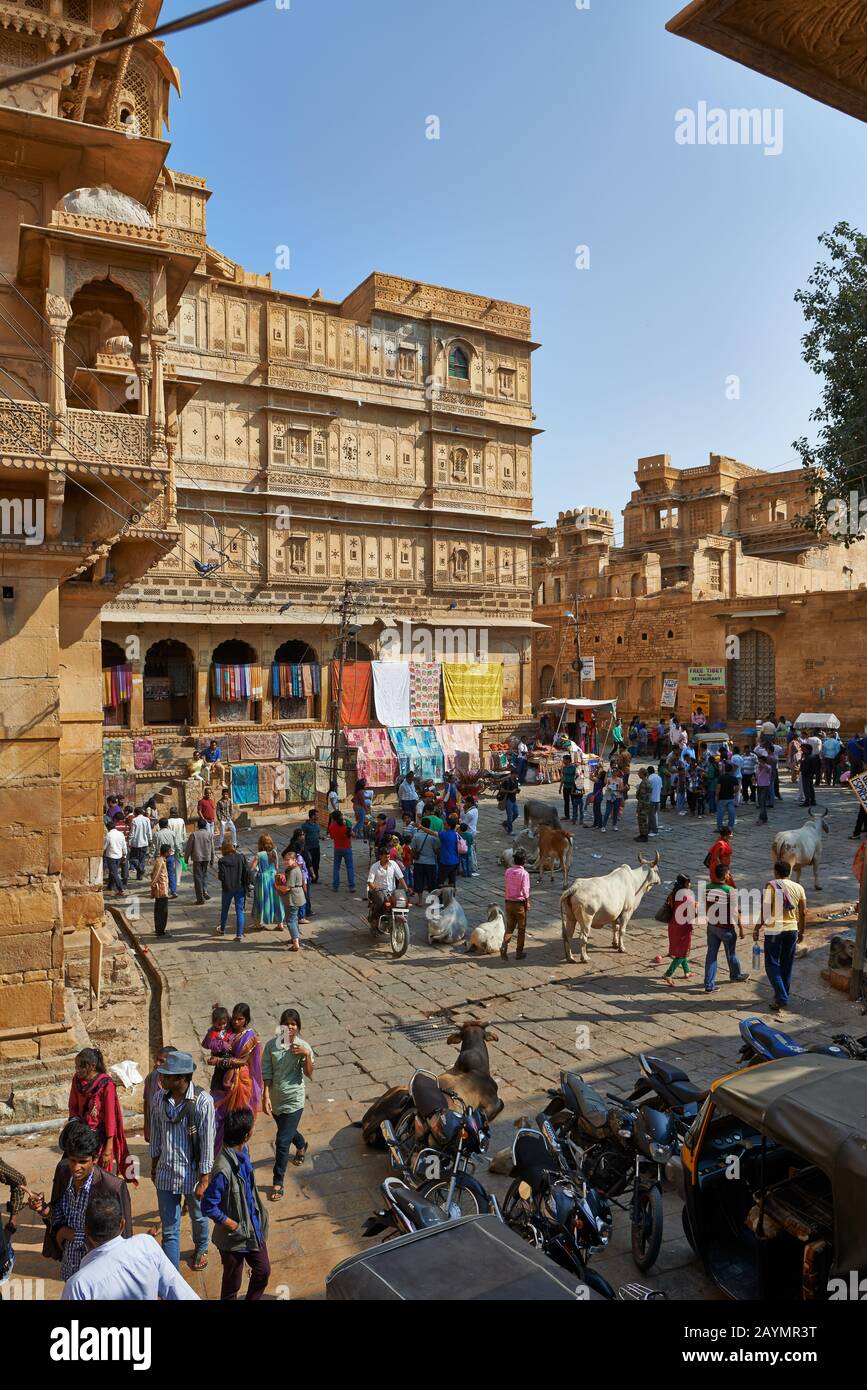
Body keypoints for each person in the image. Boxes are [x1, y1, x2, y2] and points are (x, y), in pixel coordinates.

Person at [40, 1121, 133, 1282]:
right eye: (72, 1160)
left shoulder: (113, 1187)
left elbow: (121, 1237)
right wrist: (44, 1210)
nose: (76, 1168)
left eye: (82, 1161)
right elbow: (59, 1211)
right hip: (70, 1264)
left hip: (100, 1269)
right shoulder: (63, 1171)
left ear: (95, 1158)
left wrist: (72, 1235)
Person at [62, 1192, 199, 1300]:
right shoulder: (146, 1245)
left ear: (86, 1230)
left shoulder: (78, 1285)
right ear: (122, 1224)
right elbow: (176, 1289)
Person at [149, 1050, 215, 1272]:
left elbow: (207, 1143)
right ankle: (172, 1279)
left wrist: (205, 1180)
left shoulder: (203, 1102)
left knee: (198, 1216)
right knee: (170, 1231)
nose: (162, 1079)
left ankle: (202, 1247)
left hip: (193, 1174)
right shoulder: (159, 1098)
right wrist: (153, 1165)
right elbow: (157, 1133)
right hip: (166, 1172)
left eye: (167, 1076)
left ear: (182, 1078)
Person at [200, 1106, 271, 1300]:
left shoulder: (244, 1152)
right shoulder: (222, 1170)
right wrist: (231, 1224)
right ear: (247, 1134)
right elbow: (208, 1205)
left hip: (253, 1227)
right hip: (233, 1237)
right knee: (232, 1285)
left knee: (263, 1271)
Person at [263, 1009, 313, 1201]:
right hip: (276, 1099)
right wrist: (265, 1096)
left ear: (298, 1026)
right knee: (287, 1131)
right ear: (281, 1026)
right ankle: (301, 1145)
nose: (290, 1027)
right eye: (287, 1023)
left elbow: (309, 1073)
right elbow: (267, 1072)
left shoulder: (303, 1046)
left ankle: (278, 1181)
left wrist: (306, 1055)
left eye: (293, 1024)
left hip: (294, 1099)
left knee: (282, 1141)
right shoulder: (271, 1046)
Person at [68, 1047, 133, 1180]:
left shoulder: (106, 1084)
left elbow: (110, 1116)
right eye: (76, 1067)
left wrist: (108, 1148)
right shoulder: (77, 1080)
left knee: (100, 1176)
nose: (78, 1070)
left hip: (101, 1137)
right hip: (82, 1133)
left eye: (81, 1067)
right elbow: (73, 1106)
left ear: (92, 1066)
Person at [211, 1004, 263, 1154]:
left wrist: (221, 1061)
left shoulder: (250, 1037)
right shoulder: (228, 1031)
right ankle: (217, 1148)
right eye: (234, 1018)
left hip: (240, 1079)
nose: (236, 1022)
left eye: (239, 1019)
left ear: (246, 1020)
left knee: (235, 1117)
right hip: (223, 1077)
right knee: (218, 1114)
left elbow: (244, 1061)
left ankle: (236, 1148)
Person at [755, 860, 806, 1013]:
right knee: (786, 964)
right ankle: (780, 996)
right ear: (789, 872)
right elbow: (803, 912)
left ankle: (782, 996)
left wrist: (757, 928)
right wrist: (802, 931)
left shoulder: (771, 886)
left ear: (775, 872)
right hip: (792, 930)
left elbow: (765, 911)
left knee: (771, 964)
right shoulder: (799, 887)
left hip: (774, 930)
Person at [703, 863, 750, 993]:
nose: (730, 875)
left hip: (712, 926)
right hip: (726, 928)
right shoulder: (730, 891)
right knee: (731, 953)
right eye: (728, 873)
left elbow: (706, 907)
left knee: (711, 955)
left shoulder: (706, 888)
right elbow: (735, 912)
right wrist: (740, 928)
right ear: (725, 875)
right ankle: (735, 975)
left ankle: (709, 984)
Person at [662, 874, 695, 985]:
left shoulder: (674, 893)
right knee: (682, 952)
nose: (690, 884)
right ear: (685, 883)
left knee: (682, 949)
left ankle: (687, 971)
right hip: (683, 927)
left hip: (673, 925)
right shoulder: (687, 897)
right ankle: (668, 973)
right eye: (689, 882)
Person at [217, 836, 251, 940]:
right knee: (239, 910)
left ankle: (222, 928)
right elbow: (247, 872)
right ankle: (239, 934)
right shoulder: (241, 857)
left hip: (227, 888)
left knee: (224, 909)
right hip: (240, 887)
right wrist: (247, 885)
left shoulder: (222, 861)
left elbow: (221, 876)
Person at [143, 1044, 177, 1145]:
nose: (157, 1063)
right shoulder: (151, 1078)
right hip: (156, 1130)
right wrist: (147, 1126)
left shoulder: (179, 1083)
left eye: (161, 1061)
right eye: (157, 1059)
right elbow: (147, 1102)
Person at [501, 847, 530, 961]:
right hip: (519, 904)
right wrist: (527, 903)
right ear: (524, 861)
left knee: (509, 927)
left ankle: (504, 946)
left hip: (508, 903)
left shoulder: (508, 871)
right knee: (521, 928)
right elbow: (525, 891)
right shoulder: (524, 873)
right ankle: (519, 952)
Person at [250, 833, 284, 928]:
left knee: (261, 900)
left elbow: (252, 868)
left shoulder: (259, 855)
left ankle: (258, 923)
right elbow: (276, 867)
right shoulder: (274, 852)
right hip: (273, 878)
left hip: (262, 879)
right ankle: (280, 923)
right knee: (276, 900)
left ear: (260, 844)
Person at [367, 846, 407, 923]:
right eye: (385, 857)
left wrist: (406, 889)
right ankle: (373, 917)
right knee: (381, 900)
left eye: (388, 857)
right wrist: (375, 888)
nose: (388, 859)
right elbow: (369, 882)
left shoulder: (393, 864)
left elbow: (400, 878)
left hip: (392, 891)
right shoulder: (374, 866)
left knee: (402, 901)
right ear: (380, 856)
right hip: (378, 891)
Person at [277, 850, 305, 950]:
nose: (285, 862)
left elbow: (288, 887)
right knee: (294, 919)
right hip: (297, 896)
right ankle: (295, 938)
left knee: (290, 920)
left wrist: (277, 887)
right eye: (284, 860)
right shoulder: (294, 868)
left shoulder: (293, 871)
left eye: (288, 860)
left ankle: (295, 942)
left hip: (292, 898)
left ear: (294, 860)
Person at [184, 817, 214, 903]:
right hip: (206, 858)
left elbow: (188, 848)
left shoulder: (193, 835)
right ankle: (204, 891)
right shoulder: (209, 834)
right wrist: (212, 859)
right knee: (204, 875)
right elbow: (212, 848)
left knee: (197, 878)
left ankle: (200, 898)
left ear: (198, 826)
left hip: (197, 858)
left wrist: (186, 858)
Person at [410, 815, 440, 902]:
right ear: (429, 825)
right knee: (432, 882)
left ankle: (420, 901)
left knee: (419, 881)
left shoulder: (416, 836)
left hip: (419, 862)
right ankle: (433, 900)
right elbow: (436, 850)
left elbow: (413, 850)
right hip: (431, 862)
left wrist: (411, 860)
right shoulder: (433, 837)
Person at [327, 810, 355, 891]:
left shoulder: (331, 826)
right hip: (347, 848)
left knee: (336, 868)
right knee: (349, 867)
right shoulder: (346, 825)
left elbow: (331, 837)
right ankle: (351, 886)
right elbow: (353, 835)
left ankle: (335, 886)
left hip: (337, 848)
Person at [150, 843, 172, 937]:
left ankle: (159, 930)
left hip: (162, 889)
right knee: (162, 912)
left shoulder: (161, 860)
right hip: (161, 890)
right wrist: (153, 886)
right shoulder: (160, 862)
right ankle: (160, 931)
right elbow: (156, 875)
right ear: (166, 852)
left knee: (159, 911)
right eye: (169, 851)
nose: (170, 852)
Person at [153, 817, 178, 897]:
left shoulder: (157, 834)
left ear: (159, 825)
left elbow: (153, 847)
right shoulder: (172, 833)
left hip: (160, 857)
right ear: (167, 825)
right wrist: (179, 852)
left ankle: (163, 890)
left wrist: (151, 856)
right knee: (171, 873)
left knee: (160, 874)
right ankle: (173, 891)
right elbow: (176, 844)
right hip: (170, 855)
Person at [103, 817, 127, 895]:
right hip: (119, 856)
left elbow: (104, 847)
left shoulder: (108, 835)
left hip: (111, 856)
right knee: (113, 871)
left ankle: (120, 889)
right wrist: (125, 855)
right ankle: (110, 886)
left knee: (114, 873)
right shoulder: (120, 834)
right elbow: (124, 845)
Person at [437, 816, 460, 887]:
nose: (444, 825)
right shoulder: (456, 834)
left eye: (445, 824)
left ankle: (441, 897)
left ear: (449, 826)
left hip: (445, 861)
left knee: (440, 882)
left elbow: (432, 833)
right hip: (455, 861)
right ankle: (451, 895)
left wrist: (421, 827)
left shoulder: (444, 834)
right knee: (452, 882)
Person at [168, 805, 187, 886]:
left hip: (171, 843)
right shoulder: (181, 820)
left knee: (170, 861)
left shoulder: (168, 821)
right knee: (178, 861)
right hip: (180, 842)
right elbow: (184, 833)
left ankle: (171, 879)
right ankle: (178, 880)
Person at [715, 762, 738, 831]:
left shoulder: (721, 777)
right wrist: (733, 792)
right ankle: (730, 826)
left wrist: (716, 796)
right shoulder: (733, 778)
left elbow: (718, 788)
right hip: (730, 797)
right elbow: (737, 788)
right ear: (731, 770)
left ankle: (719, 827)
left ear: (725, 769)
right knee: (732, 813)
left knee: (720, 814)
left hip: (722, 798)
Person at [601, 765, 623, 832]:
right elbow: (605, 783)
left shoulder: (620, 780)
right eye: (613, 771)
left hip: (617, 797)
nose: (614, 772)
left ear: (618, 772)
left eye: (616, 771)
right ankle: (603, 826)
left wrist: (617, 789)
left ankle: (614, 825)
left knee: (615, 812)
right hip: (610, 797)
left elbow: (622, 789)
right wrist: (607, 774)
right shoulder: (609, 779)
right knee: (607, 812)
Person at [462, 796, 480, 873]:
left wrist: (464, 811)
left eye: (466, 802)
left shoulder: (469, 813)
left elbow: (464, 824)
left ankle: (470, 867)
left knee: (468, 852)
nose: (465, 804)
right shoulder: (475, 810)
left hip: (468, 832)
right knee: (472, 850)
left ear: (469, 803)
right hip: (473, 831)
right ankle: (474, 866)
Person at [800, 742, 821, 808]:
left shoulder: (808, 757)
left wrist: (803, 770)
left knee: (806, 788)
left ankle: (807, 801)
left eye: (803, 749)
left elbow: (806, 767)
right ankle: (813, 800)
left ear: (807, 749)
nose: (802, 750)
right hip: (811, 774)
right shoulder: (813, 756)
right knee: (811, 788)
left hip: (806, 774)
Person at [500, 770, 520, 835]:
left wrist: (517, 790)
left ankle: (506, 824)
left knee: (516, 814)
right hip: (508, 800)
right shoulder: (507, 781)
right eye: (516, 775)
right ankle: (510, 830)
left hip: (514, 799)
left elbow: (516, 789)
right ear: (512, 774)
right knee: (510, 815)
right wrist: (511, 791)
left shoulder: (516, 781)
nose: (517, 776)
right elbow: (502, 790)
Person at [304, 808, 321, 882]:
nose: (318, 817)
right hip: (309, 848)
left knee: (316, 863)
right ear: (312, 816)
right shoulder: (305, 826)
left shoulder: (317, 825)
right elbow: (303, 837)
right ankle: (308, 877)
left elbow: (317, 833)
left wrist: (321, 837)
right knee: (309, 864)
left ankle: (315, 878)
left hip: (317, 847)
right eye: (316, 815)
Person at [634, 767, 651, 842]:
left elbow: (642, 797)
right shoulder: (646, 781)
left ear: (642, 774)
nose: (638, 774)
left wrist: (639, 808)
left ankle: (644, 836)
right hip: (646, 803)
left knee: (642, 820)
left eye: (639, 773)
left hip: (643, 805)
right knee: (642, 820)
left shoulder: (644, 783)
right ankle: (642, 834)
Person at [646, 764, 661, 837]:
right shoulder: (659, 777)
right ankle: (649, 829)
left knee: (651, 816)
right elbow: (660, 787)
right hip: (657, 798)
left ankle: (655, 830)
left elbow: (648, 790)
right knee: (652, 815)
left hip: (651, 799)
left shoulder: (649, 779)